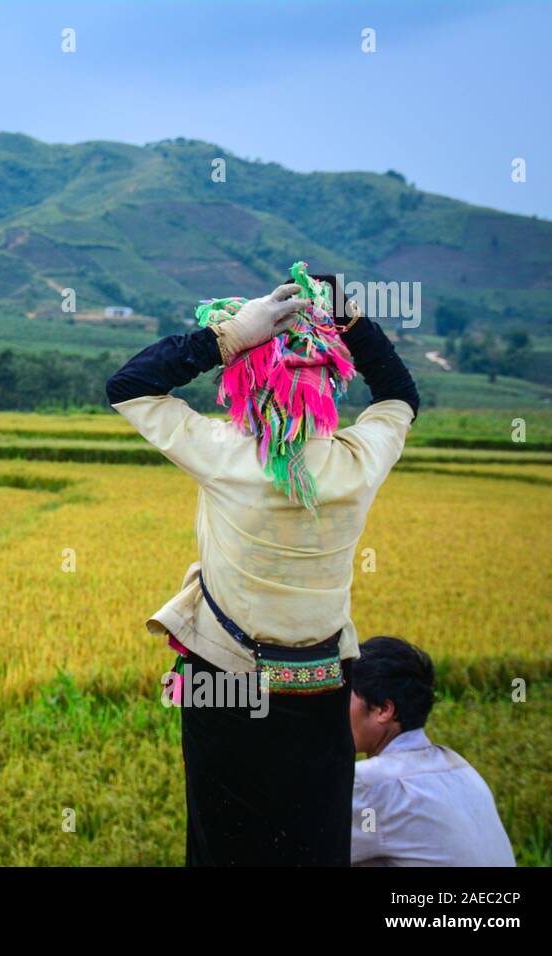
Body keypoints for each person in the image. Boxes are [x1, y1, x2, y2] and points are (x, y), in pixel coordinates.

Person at [106, 266, 419, 866]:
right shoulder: (357, 463)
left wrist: (225, 335)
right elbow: (400, 396)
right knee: (313, 842)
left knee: (223, 844)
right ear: (328, 385)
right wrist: (345, 317)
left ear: (248, 382)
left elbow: (131, 385)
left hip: (220, 681)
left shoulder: (227, 455)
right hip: (323, 684)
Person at [348, 636, 516, 867]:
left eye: (344, 696)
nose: (332, 712)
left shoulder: (371, 784)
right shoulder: (463, 770)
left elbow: (301, 848)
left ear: (384, 710)